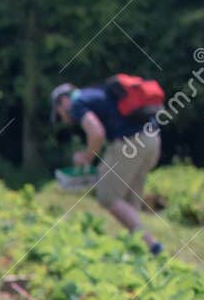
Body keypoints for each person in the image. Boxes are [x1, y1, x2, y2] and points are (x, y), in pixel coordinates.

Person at [51, 80, 163, 255]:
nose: (63, 118)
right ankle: (138, 250)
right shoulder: (95, 93)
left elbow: (97, 133)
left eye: (59, 113)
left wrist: (86, 157)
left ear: (63, 101)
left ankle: (153, 246)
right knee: (128, 201)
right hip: (152, 139)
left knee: (107, 196)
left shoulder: (77, 103)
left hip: (131, 142)